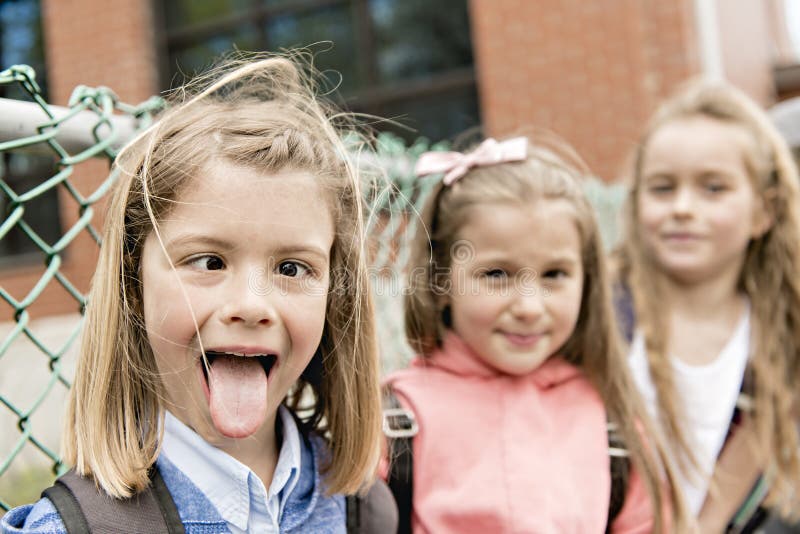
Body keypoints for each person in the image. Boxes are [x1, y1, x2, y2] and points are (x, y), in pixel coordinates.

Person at [1, 55, 387, 533]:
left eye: (292, 268)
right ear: (133, 284)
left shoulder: (364, 508)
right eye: (209, 262)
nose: (250, 305)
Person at [383, 136, 689, 533]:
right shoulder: (397, 420)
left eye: (554, 275)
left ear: (587, 280)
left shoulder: (613, 421)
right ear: (440, 281)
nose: (529, 307)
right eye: (496, 275)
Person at [615, 80, 800, 531]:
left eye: (713, 189)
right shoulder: (600, 313)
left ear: (764, 211)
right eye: (662, 188)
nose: (682, 207)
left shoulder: (780, 334)